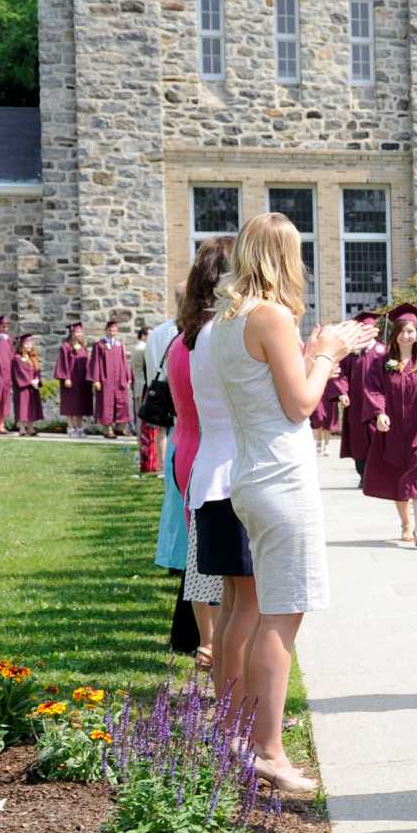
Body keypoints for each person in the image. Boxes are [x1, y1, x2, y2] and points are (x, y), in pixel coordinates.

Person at [213, 212, 374, 793]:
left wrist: (313, 350)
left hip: (251, 473)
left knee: (266, 614)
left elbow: (269, 392)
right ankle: (269, 750)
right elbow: (302, 403)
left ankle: (249, 737)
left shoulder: (225, 321)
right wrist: (328, 354)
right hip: (282, 478)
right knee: (283, 618)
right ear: (285, 258)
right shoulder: (271, 315)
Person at [189, 268, 260, 704]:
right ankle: (241, 710)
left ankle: (232, 710)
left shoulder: (206, 332)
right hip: (231, 478)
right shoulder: (228, 333)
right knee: (247, 605)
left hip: (213, 473)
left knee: (235, 603)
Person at [169, 240, 235, 672]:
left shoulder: (183, 340)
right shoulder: (218, 340)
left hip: (187, 448)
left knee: (200, 556)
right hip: (214, 445)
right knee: (224, 565)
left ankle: (208, 643)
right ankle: (216, 645)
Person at [361, 303, 417, 545]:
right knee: (399, 475)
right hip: (395, 429)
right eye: (403, 331)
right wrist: (379, 413)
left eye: (411, 331)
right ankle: (406, 523)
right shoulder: (382, 362)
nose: (407, 335)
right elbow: (373, 390)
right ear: (395, 334)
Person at [337, 310, 383, 477]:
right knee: (358, 441)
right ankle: (363, 475)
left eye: (368, 330)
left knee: (376, 438)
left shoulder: (382, 352)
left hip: (376, 406)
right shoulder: (351, 353)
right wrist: (342, 392)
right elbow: (339, 373)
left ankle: (375, 475)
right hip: (356, 405)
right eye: (362, 330)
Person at [90, 320, 134, 439]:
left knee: (121, 403)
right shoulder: (100, 345)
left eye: (114, 330)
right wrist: (96, 380)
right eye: (110, 330)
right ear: (106, 330)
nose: (112, 332)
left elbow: (124, 362)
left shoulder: (119, 345)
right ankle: (107, 430)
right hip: (106, 380)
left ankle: (121, 428)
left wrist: (128, 377)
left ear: (117, 331)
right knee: (106, 404)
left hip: (119, 380)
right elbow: (95, 363)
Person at [132, 324, 162, 474]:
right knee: (144, 425)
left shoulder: (143, 348)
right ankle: (146, 457)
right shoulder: (141, 349)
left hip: (143, 386)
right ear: (143, 336)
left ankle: (148, 458)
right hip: (142, 386)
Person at [55, 322, 91, 435]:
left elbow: (88, 363)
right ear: (72, 333)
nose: (79, 334)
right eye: (77, 332)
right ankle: (70, 427)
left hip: (82, 381)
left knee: (80, 404)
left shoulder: (83, 346)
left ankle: (80, 427)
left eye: (80, 332)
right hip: (70, 380)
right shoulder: (66, 346)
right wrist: (66, 377)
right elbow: (63, 362)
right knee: (70, 404)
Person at [311, 349, 348, 458]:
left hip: (331, 391)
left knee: (329, 419)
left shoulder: (335, 358)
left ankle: (326, 445)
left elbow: (339, 376)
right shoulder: (314, 355)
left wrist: (341, 393)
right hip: (318, 390)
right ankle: (318, 443)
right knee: (318, 417)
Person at [12, 334, 45, 435]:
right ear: (21, 345)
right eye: (26, 344)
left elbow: (37, 372)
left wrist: (37, 380)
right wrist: (30, 381)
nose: (29, 346)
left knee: (32, 407)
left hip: (33, 387)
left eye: (30, 344)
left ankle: (31, 428)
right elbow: (19, 372)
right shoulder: (17, 358)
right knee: (22, 407)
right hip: (22, 387)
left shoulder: (33, 358)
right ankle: (22, 428)